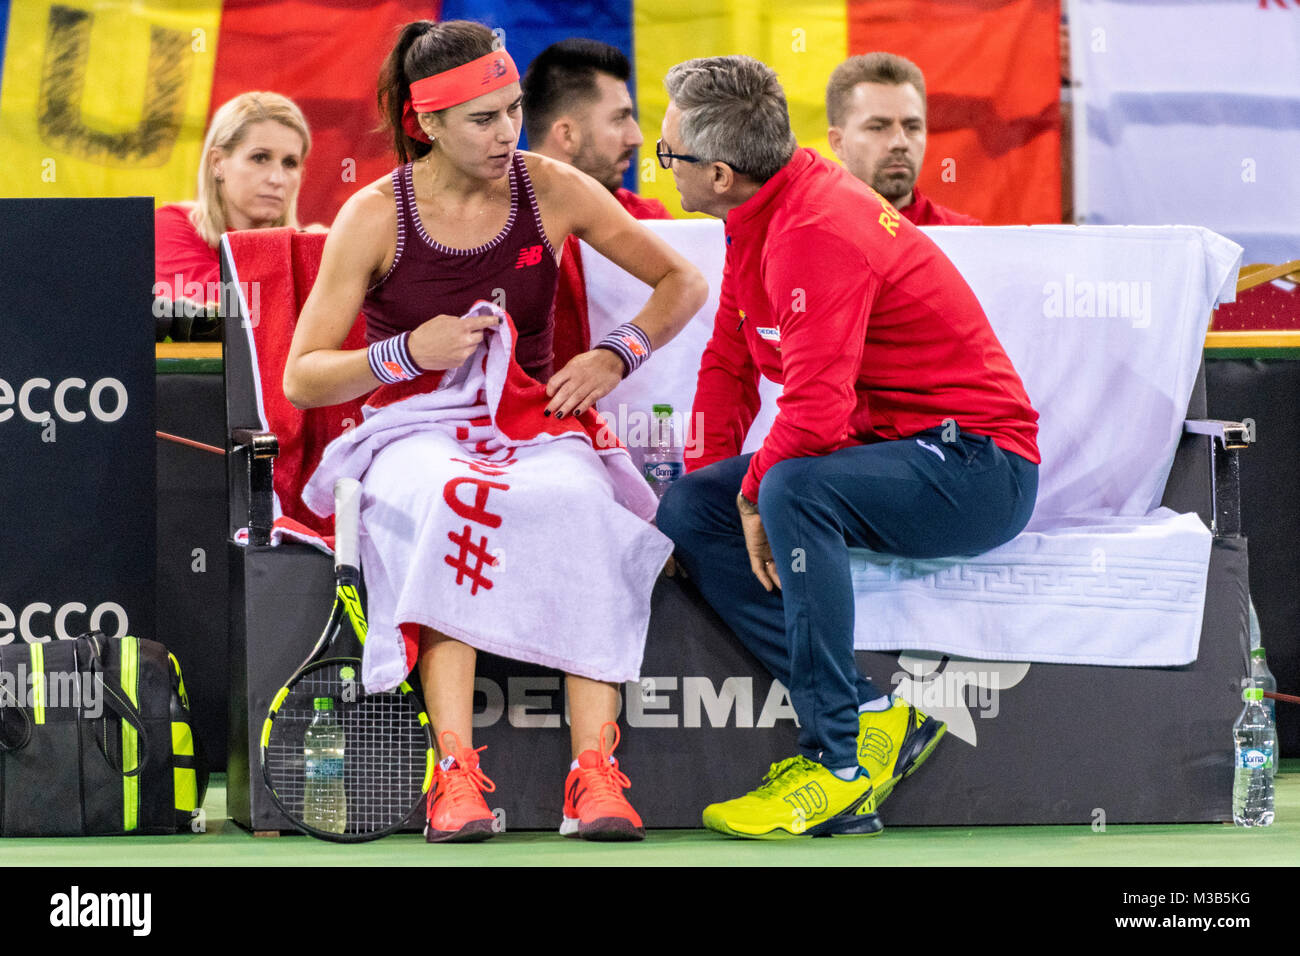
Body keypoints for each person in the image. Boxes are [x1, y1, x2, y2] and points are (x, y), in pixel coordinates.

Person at [282, 20, 707, 843]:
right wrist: (409, 351)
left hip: (530, 422)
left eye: (513, 110)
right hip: (413, 428)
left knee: (587, 506)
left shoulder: (550, 186)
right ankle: (455, 774)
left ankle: (595, 776)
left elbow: (680, 281)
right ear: (425, 123)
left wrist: (617, 356)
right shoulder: (372, 216)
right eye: (482, 119)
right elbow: (304, 374)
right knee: (449, 501)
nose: (506, 132)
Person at [654, 56, 1039, 839]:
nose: (662, 169)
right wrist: (725, 492)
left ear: (720, 172)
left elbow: (816, 417)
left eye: (670, 157)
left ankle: (840, 765)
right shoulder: (759, 210)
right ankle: (869, 712)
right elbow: (728, 364)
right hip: (896, 451)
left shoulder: (815, 231)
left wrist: (758, 492)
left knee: (794, 485)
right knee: (691, 506)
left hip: (979, 469)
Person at [522, 39, 672, 370]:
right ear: (567, 135)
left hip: (637, 421)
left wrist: (614, 358)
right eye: (620, 118)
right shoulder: (494, 229)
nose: (636, 137)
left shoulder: (649, 220)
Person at [154, 92, 313, 311]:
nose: (277, 178)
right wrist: (310, 268)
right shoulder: (169, 225)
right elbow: (226, 303)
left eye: (290, 163)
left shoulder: (308, 246)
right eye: (260, 158)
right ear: (218, 162)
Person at [826, 53, 982, 226]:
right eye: (878, 127)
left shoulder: (967, 241)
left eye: (912, 127)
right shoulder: (805, 234)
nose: (900, 142)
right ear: (837, 142)